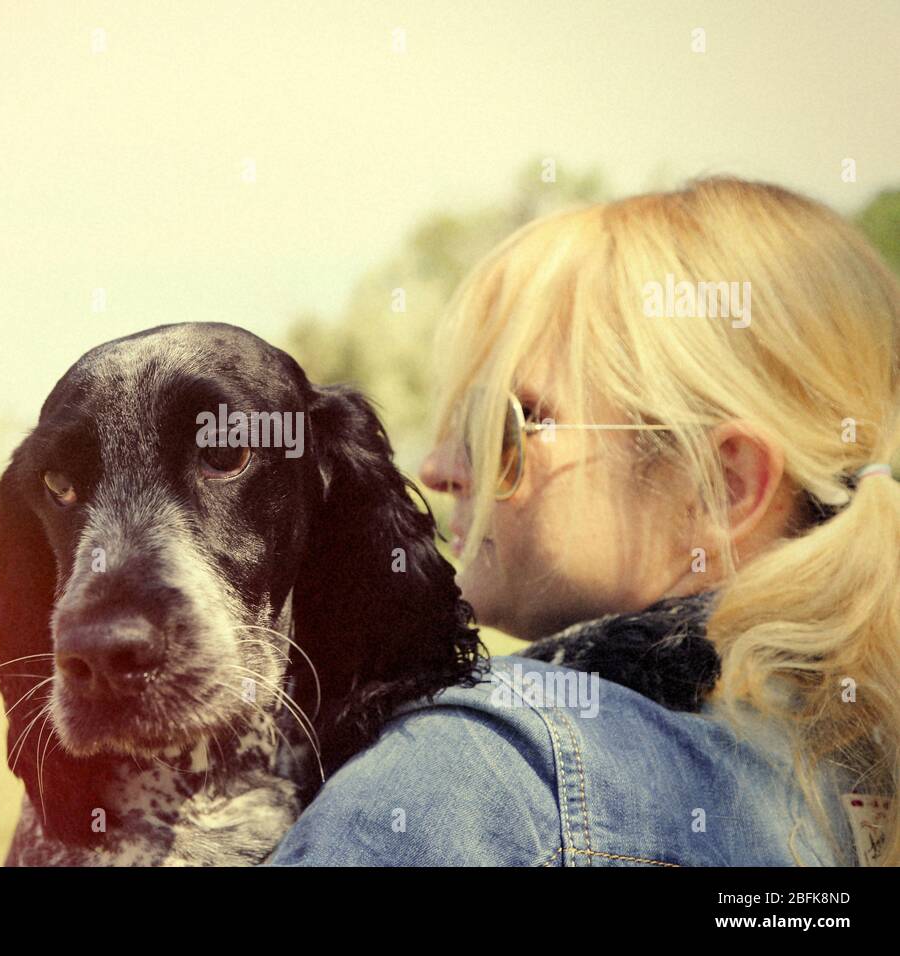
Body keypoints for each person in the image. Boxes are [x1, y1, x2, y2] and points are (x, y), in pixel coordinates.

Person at [265, 177, 899, 866]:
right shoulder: (860, 769)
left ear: (723, 487)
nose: (441, 468)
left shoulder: (489, 768)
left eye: (501, 425)